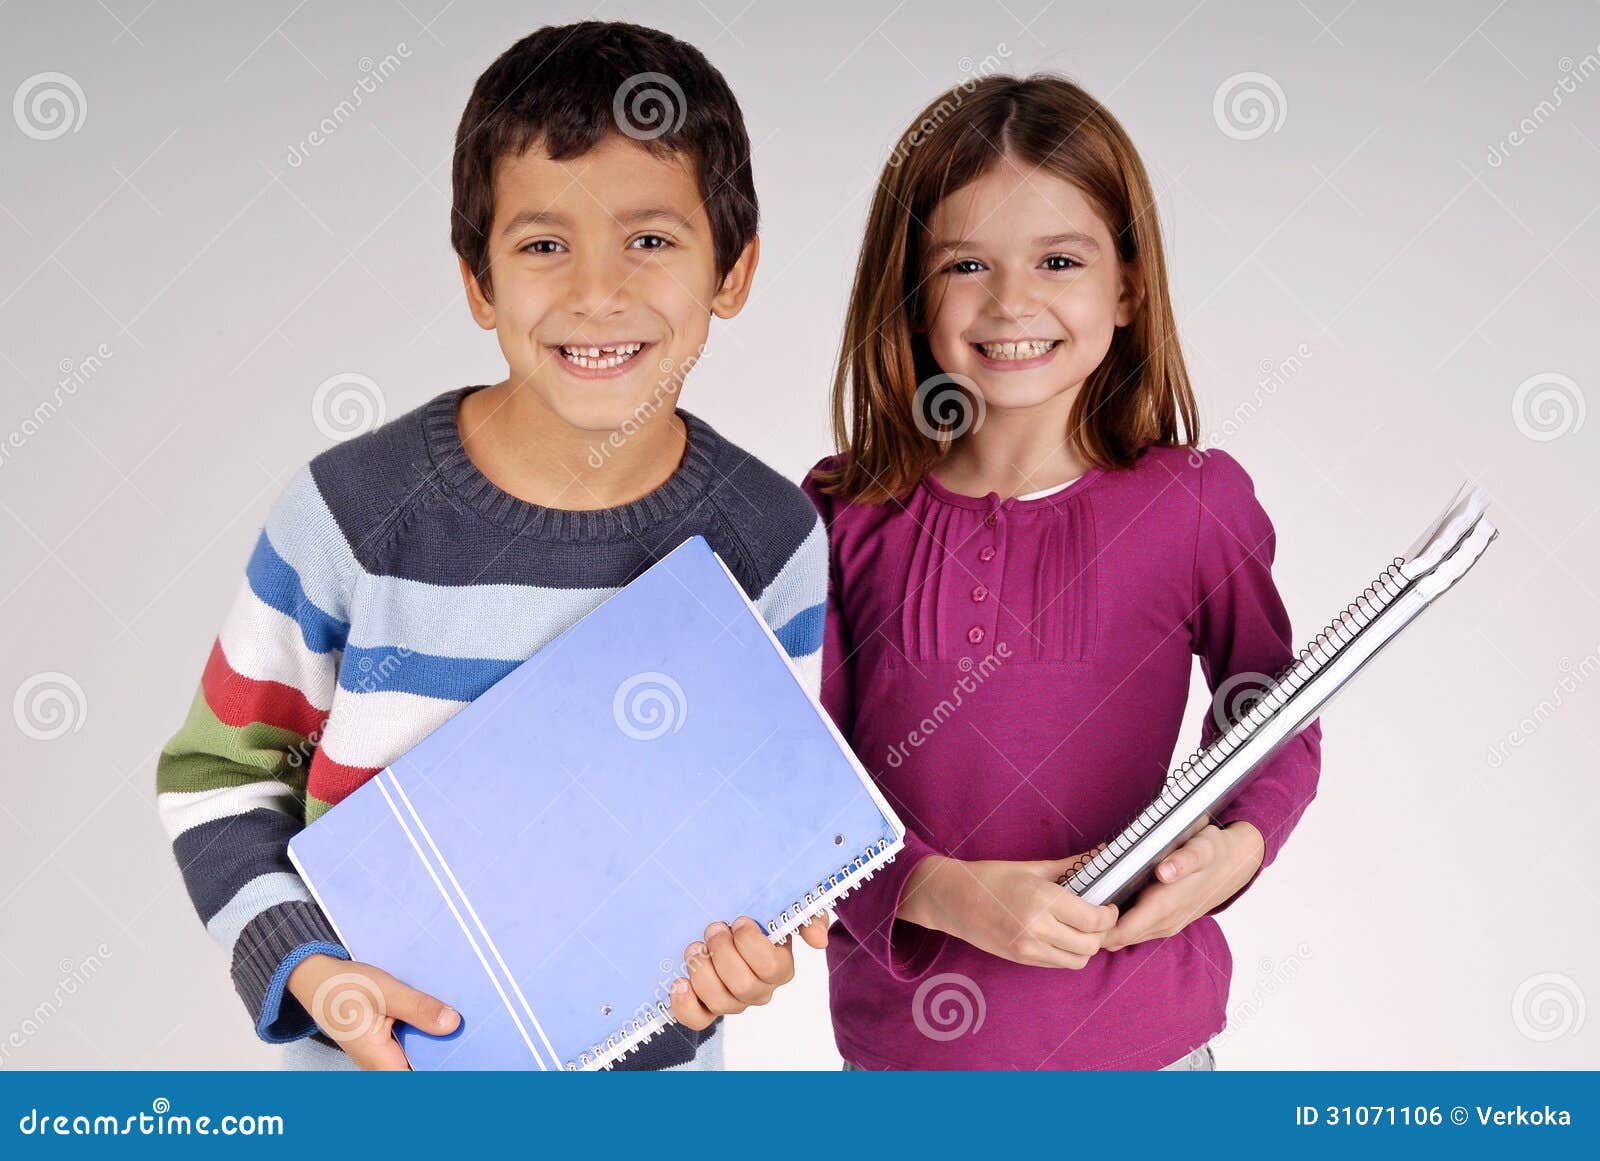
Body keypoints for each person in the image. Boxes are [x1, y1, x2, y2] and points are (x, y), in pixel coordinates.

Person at [155, 20, 829, 1071]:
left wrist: (741, 964)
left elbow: (751, 847)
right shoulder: (353, 512)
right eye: (543, 244)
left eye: (650, 240)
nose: (596, 293)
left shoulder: (770, 538)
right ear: (479, 281)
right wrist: (309, 971)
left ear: (731, 273)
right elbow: (219, 779)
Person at [803, 72, 1320, 1070]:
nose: (1011, 303)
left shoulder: (1192, 506)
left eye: (1057, 260)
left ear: (1126, 286)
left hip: (1147, 1062)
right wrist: (941, 893)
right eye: (964, 265)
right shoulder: (840, 515)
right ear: (909, 293)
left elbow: (1273, 715)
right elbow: (794, 790)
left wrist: (1235, 848)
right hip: (899, 1069)